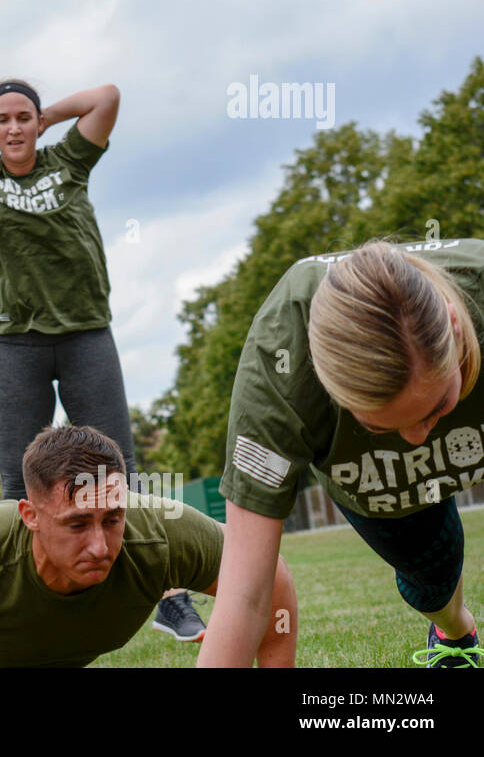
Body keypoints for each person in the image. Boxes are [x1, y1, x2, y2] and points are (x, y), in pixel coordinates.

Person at [0, 81, 205, 639]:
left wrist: (47, 119)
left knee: (121, 472)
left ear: (39, 123)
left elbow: (109, 97)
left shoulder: (68, 160)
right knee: (17, 485)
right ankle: (18, 606)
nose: (15, 128)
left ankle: (169, 598)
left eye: (24, 118)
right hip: (15, 342)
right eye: (4, 120)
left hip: (86, 334)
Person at [202, 239, 484, 668]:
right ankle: (455, 628)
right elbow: (246, 595)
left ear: (455, 326)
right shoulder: (281, 367)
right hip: (377, 484)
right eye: (381, 424)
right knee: (433, 584)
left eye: (436, 408)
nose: (416, 439)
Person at [0, 425, 296, 667]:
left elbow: (268, 582)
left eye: (112, 519)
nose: (99, 545)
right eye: (76, 525)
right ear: (30, 516)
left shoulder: (159, 535)